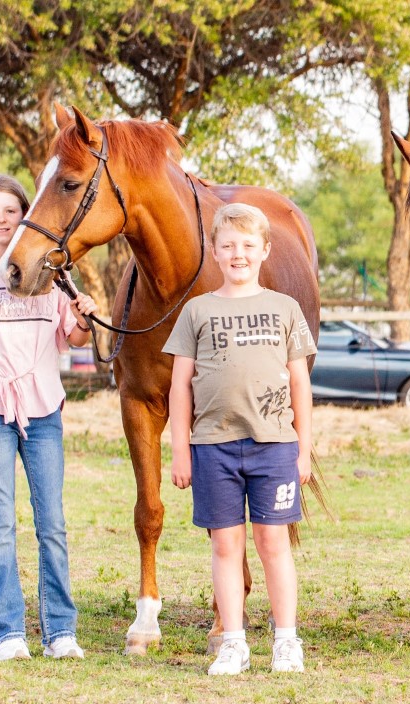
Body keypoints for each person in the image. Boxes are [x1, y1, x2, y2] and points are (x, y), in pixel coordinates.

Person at [0, 174, 97, 661]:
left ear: (25, 215)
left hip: (44, 410)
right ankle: (9, 634)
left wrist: (85, 315)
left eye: (10, 210)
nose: (2, 220)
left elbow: (75, 340)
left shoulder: (47, 274)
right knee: (1, 524)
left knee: (51, 522)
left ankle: (60, 633)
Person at [164, 202, 316, 676]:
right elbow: (178, 386)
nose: (238, 254)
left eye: (248, 245)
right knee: (225, 546)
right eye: (228, 246)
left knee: (274, 543)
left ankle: (286, 639)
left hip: (274, 446)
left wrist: (304, 448)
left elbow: (300, 385)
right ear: (214, 251)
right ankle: (233, 641)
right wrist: (180, 451)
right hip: (213, 447)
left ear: (265, 250)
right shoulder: (197, 311)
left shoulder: (284, 308)